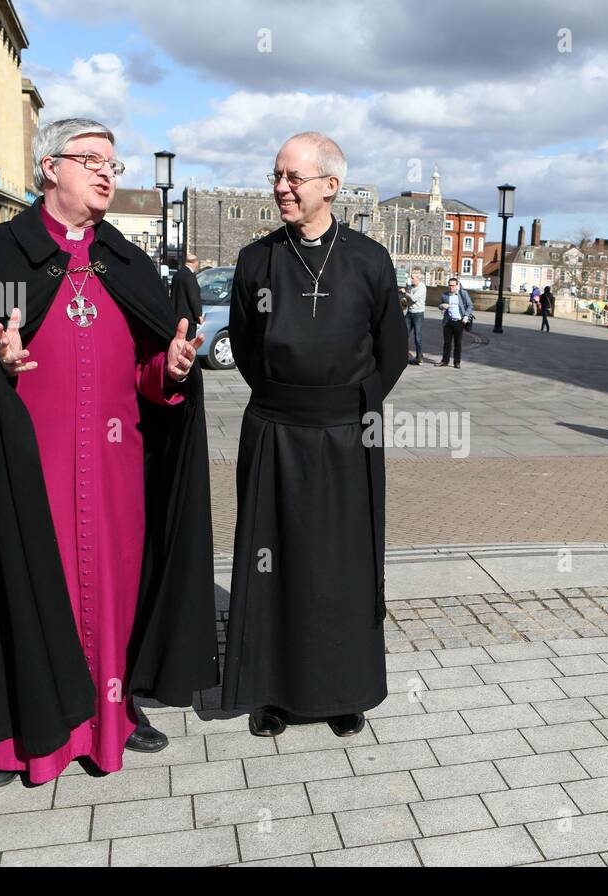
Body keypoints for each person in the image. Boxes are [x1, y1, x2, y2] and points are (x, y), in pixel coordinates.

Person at [0, 118, 219, 787]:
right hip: (32, 474)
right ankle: (17, 737)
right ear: (48, 168)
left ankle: (113, 719)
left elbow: (149, 374)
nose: (105, 173)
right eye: (90, 159)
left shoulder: (125, 260)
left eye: (113, 164)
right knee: (28, 591)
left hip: (118, 477)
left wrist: (172, 371)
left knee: (115, 595)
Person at [224, 132, 407, 739]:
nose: (281, 187)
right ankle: (272, 693)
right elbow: (247, 348)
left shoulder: (370, 260)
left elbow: (391, 349)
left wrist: (350, 406)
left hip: (346, 433)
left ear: (331, 185)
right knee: (273, 562)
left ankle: (343, 690)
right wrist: (288, 399)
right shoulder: (257, 261)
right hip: (276, 428)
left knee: (341, 566)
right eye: (276, 175)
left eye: (294, 177)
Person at [438, 276, 474, 368]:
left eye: (453, 286)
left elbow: (470, 305)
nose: (451, 287)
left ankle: (457, 362)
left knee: (458, 343)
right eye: (450, 285)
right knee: (447, 343)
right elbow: (439, 305)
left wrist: (466, 316)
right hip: (448, 321)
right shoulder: (445, 295)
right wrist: (442, 306)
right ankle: (444, 361)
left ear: (457, 286)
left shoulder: (463, 294)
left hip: (459, 321)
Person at [170, 252, 205, 326]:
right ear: (195, 262)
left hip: (176, 316)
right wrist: (199, 315)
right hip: (188, 318)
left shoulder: (177, 274)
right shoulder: (190, 275)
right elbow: (193, 297)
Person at [404, 267, 426, 365]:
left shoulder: (422, 287)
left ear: (418, 278)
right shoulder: (411, 287)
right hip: (409, 313)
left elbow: (413, 299)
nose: (411, 279)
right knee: (404, 335)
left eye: (412, 278)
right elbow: (407, 300)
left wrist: (406, 293)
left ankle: (419, 358)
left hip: (418, 314)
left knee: (418, 337)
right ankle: (403, 356)